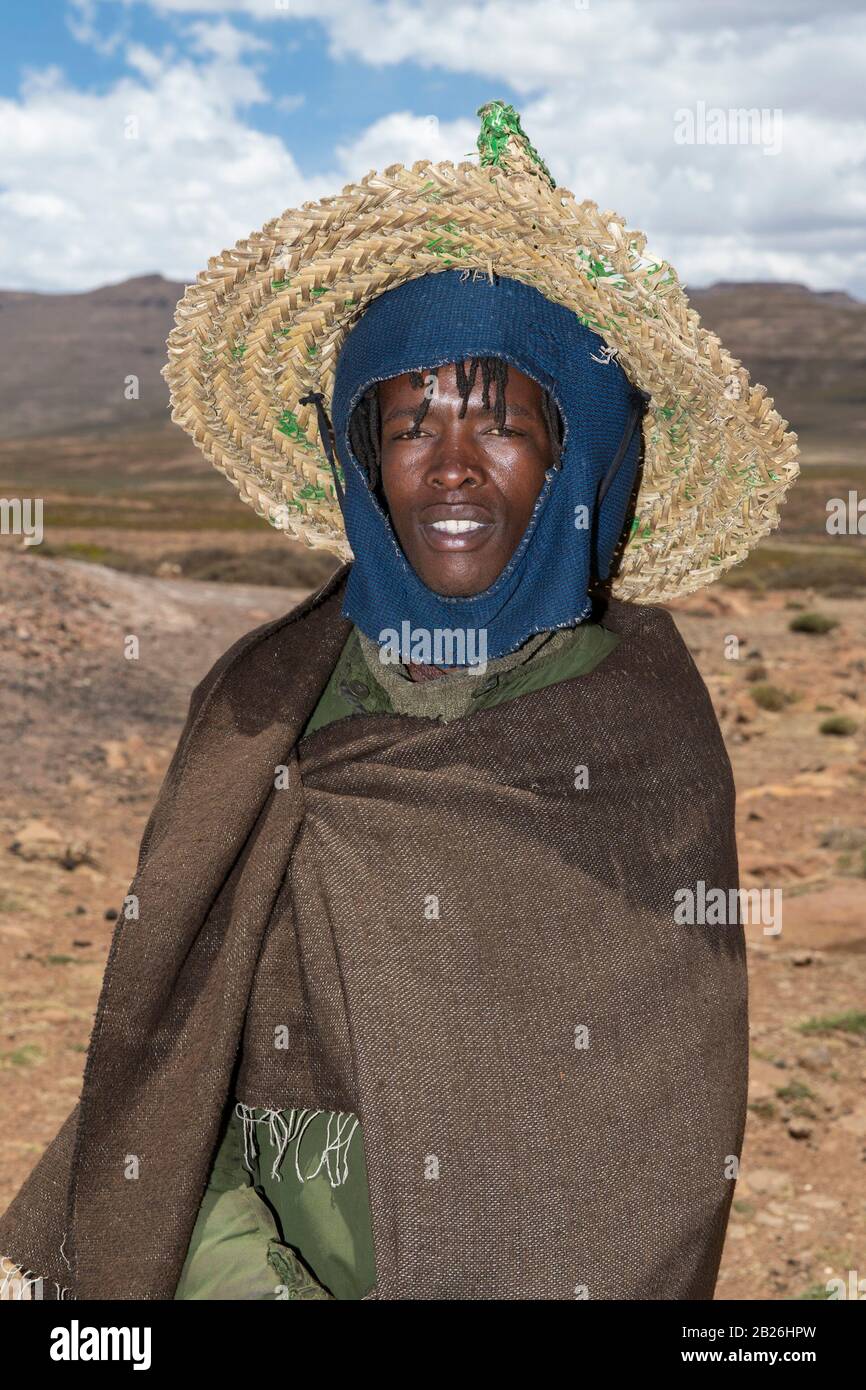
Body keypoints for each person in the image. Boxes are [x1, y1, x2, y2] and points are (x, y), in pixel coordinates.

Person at [0, 100, 799, 1302]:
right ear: (359, 459)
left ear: (578, 457)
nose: (454, 466)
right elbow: (174, 1071)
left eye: (503, 422)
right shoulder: (265, 707)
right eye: (411, 422)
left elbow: (659, 1149)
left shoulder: (638, 739)